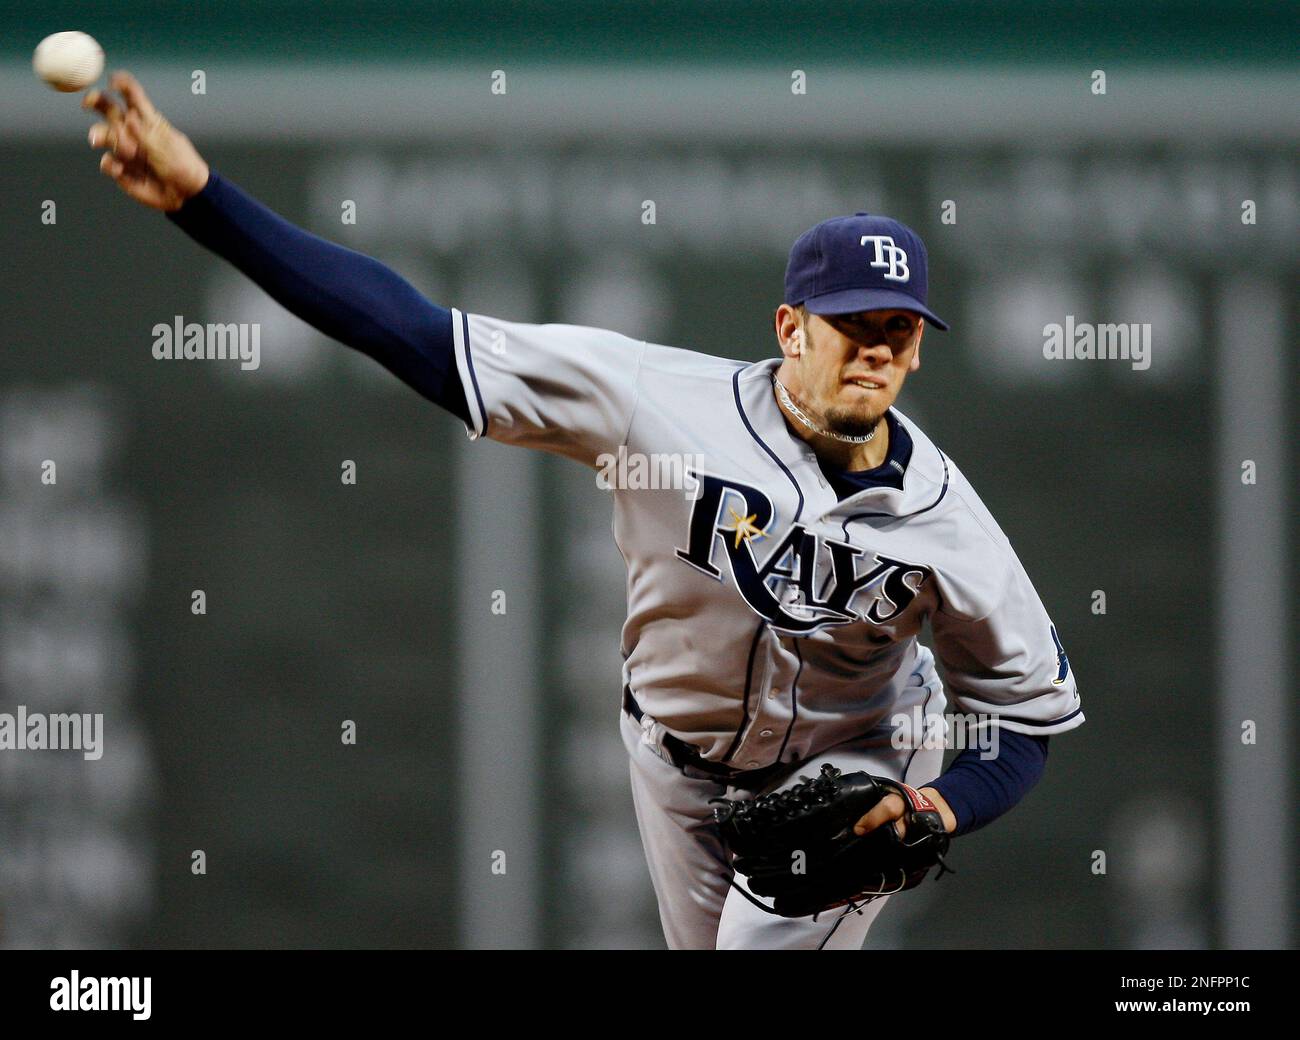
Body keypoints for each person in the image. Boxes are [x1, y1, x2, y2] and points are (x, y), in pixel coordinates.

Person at [84, 71, 1084, 950]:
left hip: (853, 758)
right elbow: (417, 335)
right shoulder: (652, 398)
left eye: (898, 331)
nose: (875, 350)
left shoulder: (948, 523)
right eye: (851, 324)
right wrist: (203, 203)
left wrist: (935, 804)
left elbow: (1023, 721)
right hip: (675, 763)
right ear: (789, 326)